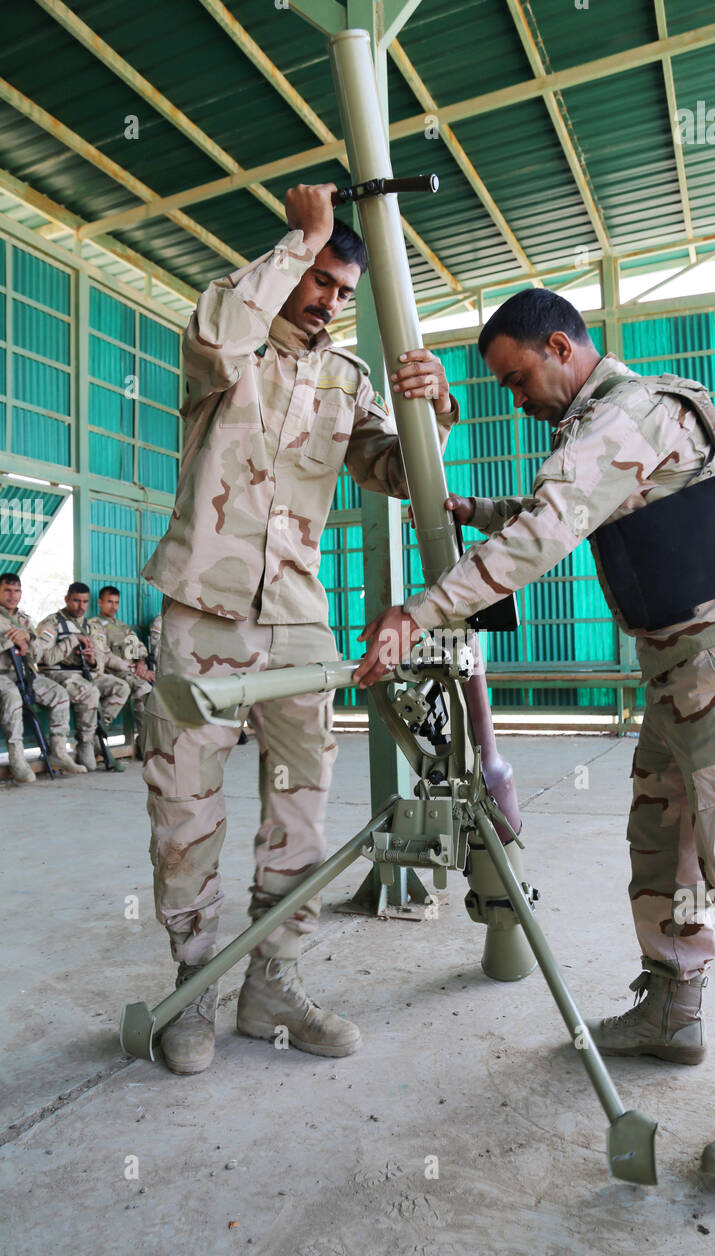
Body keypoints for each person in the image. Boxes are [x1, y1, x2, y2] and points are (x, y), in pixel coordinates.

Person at [355, 288, 715, 1184]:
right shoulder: (609, 428)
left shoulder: (631, 413)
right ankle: (674, 1009)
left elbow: (549, 532)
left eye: (518, 377)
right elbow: (574, 506)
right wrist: (472, 508)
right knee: (664, 845)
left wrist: (416, 615)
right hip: (683, 674)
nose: (515, 399)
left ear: (562, 347)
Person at [140, 183, 458, 1076]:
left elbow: (395, 469)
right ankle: (192, 986)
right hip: (203, 611)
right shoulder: (226, 352)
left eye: (339, 292)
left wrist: (433, 410)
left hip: (298, 621)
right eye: (316, 280)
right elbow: (216, 332)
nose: (325, 301)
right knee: (185, 811)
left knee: (303, 811)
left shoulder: (345, 379)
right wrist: (302, 235)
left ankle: (272, 980)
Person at [36, 583, 131, 772]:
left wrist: (92, 660)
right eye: (76, 601)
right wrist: (72, 640)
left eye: (85, 602)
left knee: (121, 686)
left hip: (86, 673)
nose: (81, 606)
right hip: (59, 674)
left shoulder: (91, 626)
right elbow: (44, 658)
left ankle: (94, 736)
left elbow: (102, 657)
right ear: (67, 599)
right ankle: (85, 744)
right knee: (89, 691)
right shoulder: (52, 623)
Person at [0, 572, 86, 780]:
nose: (13, 595)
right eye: (7, 590)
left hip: (25, 673)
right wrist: (11, 641)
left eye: (17, 590)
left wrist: (27, 637)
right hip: (2, 675)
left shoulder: (24, 620)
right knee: (13, 698)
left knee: (60, 694)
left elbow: (38, 654)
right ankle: (17, 760)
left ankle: (58, 753)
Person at [89, 585, 155, 755]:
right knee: (143, 688)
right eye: (109, 602)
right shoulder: (94, 625)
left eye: (117, 602)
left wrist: (141, 662)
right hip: (113, 671)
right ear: (100, 602)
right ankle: (143, 744)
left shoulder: (123, 627)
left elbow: (138, 646)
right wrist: (133, 669)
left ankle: (148, 741)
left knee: (154, 688)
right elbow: (105, 654)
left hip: (130, 670)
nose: (114, 606)